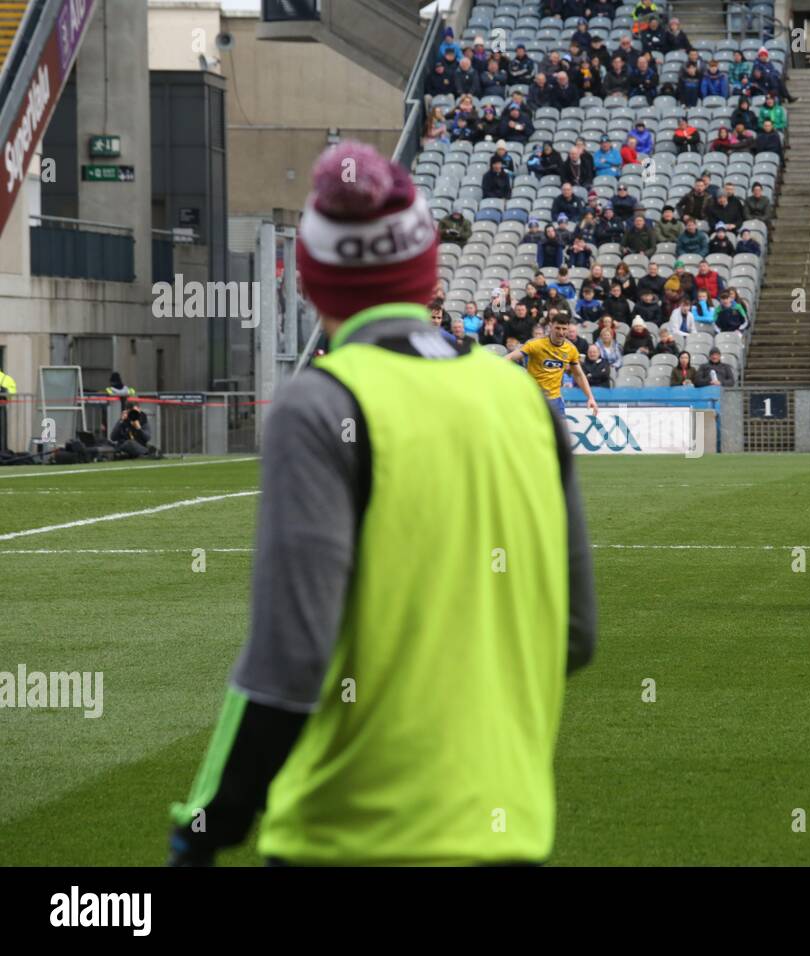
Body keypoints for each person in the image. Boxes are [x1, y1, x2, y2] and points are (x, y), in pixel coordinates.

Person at [167, 141, 596, 867]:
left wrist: (208, 827)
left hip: (349, 837)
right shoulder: (525, 402)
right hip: (509, 831)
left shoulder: (320, 403)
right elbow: (575, 634)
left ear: (311, 283)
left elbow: (289, 660)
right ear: (427, 269)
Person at [506, 314, 599, 415]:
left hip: (555, 400)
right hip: (533, 398)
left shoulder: (571, 349)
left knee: (556, 431)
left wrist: (590, 397)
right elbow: (510, 357)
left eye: (564, 329)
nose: (561, 332)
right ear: (551, 327)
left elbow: (579, 375)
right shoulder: (535, 344)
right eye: (557, 328)